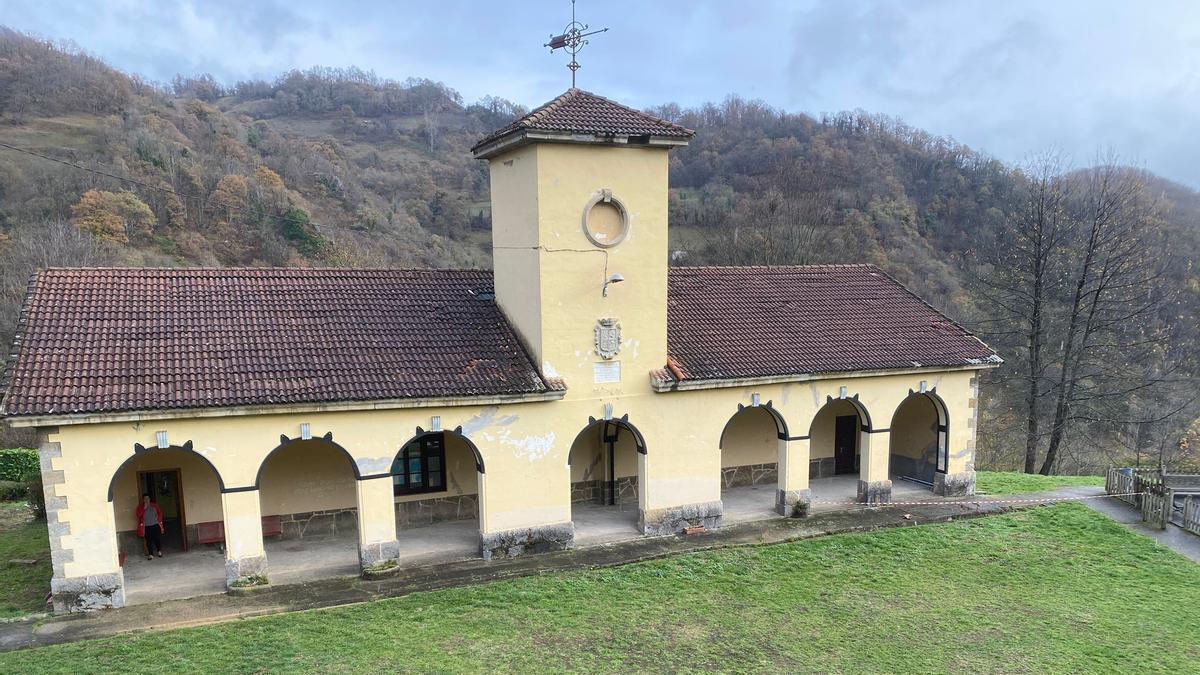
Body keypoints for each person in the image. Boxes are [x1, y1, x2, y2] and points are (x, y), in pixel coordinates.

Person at [136, 493, 164, 560]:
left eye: (148, 498)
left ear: (149, 499)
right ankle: (151, 554)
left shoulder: (154, 505)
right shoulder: (140, 507)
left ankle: (159, 551)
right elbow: (138, 515)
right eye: (145, 499)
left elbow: (160, 513)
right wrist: (144, 509)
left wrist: (159, 520)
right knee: (148, 541)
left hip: (155, 525)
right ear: (143, 500)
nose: (146, 500)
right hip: (146, 527)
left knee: (157, 539)